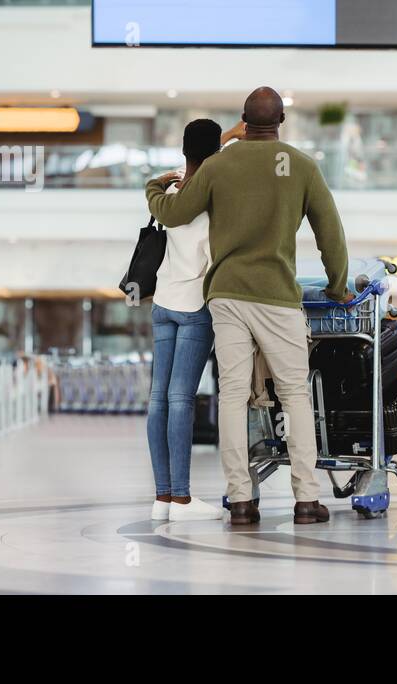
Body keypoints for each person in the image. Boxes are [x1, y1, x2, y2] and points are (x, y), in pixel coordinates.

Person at [147, 87, 349, 526]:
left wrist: (154, 190)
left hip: (227, 296)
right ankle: (305, 500)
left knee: (234, 397)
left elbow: (177, 212)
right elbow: (330, 232)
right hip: (276, 295)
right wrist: (337, 286)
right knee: (295, 394)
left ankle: (240, 500)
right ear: (281, 120)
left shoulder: (219, 164)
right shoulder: (301, 165)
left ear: (243, 119)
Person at [146, 118, 245, 522]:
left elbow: (185, 168)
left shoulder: (170, 190)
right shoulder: (214, 197)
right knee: (181, 399)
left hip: (163, 302)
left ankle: (162, 498)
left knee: (158, 400)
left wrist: (225, 138)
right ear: (217, 155)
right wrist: (231, 140)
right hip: (194, 309)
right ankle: (183, 500)